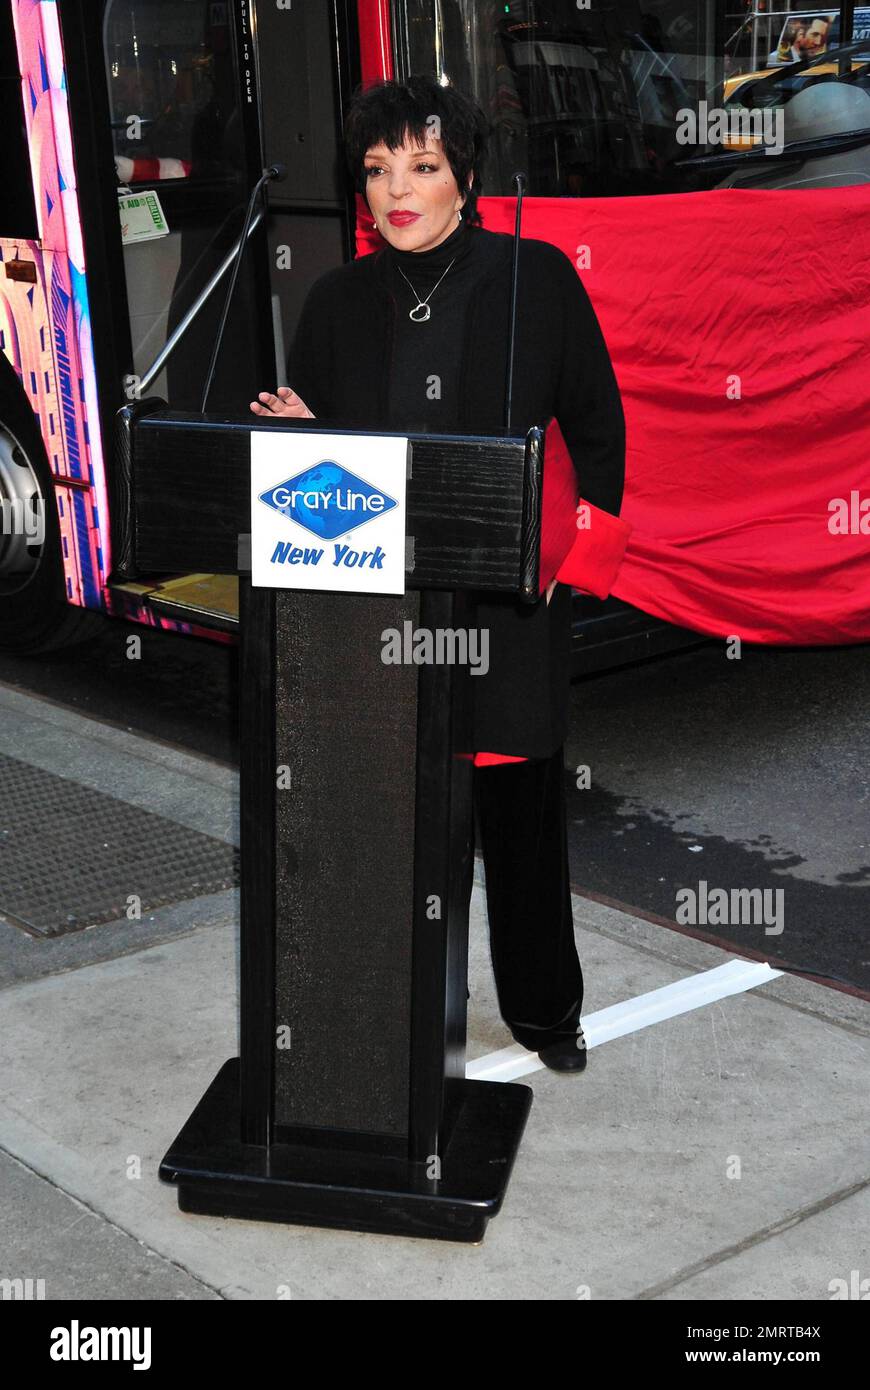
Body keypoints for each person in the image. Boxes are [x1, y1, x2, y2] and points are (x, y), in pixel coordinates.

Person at [250, 75, 627, 1073]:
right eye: (376, 170)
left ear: (465, 175)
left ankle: (547, 1014)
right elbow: (337, 472)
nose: (395, 190)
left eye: (421, 165)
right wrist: (300, 442)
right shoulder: (333, 300)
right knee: (395, 833)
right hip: (380, 617)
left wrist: (573, 565)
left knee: (521, 831)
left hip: (506, 614)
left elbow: (598, 427)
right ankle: (402, 1023)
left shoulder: (535, 279)